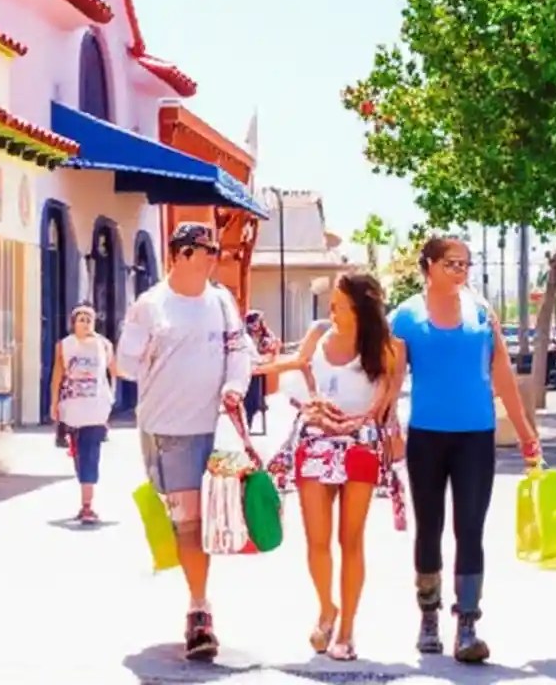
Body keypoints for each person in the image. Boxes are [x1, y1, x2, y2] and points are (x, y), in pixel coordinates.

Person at [390, 235, 541, 663]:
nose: (461, 271)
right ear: (430, 266)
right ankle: (429, 618)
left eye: (465, 264)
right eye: (453, 263)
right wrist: (387, 430)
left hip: (476, 436)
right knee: (430, 527)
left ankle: (468, 624)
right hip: (426, 436)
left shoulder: (482, 314)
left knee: (470, 528)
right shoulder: (406, 316)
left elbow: (503, 376)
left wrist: (528, 434)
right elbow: (393, 378)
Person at [117, 222, 251, 661]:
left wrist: (234, 384)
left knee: (200, 523)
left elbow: (239, 352)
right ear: (181, 253)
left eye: (215, 248)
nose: (215, 255)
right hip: (167, 429)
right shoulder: (150, 306)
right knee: (188, 522)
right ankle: (198, 608)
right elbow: (125, 365)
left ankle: (198, 608)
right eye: (206, 248)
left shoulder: (221, 301)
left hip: (216, 426)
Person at [268, 274, 403, 660]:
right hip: (314, 442)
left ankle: (346, 631)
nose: (333, 312)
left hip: (360, 444)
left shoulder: (382, 346)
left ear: (360, 309)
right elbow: (295, 374)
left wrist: (383, 419)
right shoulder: (318, 334)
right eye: (333, 305)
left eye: (341, 306)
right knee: (316, 539)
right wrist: (308, 401)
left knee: (351, 540)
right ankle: (327, 608)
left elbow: (390, 392)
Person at [49, 303, 116, 524]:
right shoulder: (64, 346)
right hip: (72, 409)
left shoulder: (104, 345)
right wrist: (54, 404)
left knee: (90, 454)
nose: (85, 323)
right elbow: (57, 377)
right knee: (79, 456)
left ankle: (87, 506)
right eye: (81, 319)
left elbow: (115, 371)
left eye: (89, 319)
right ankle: (85, 496)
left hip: (96, 409)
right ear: (73, 323)